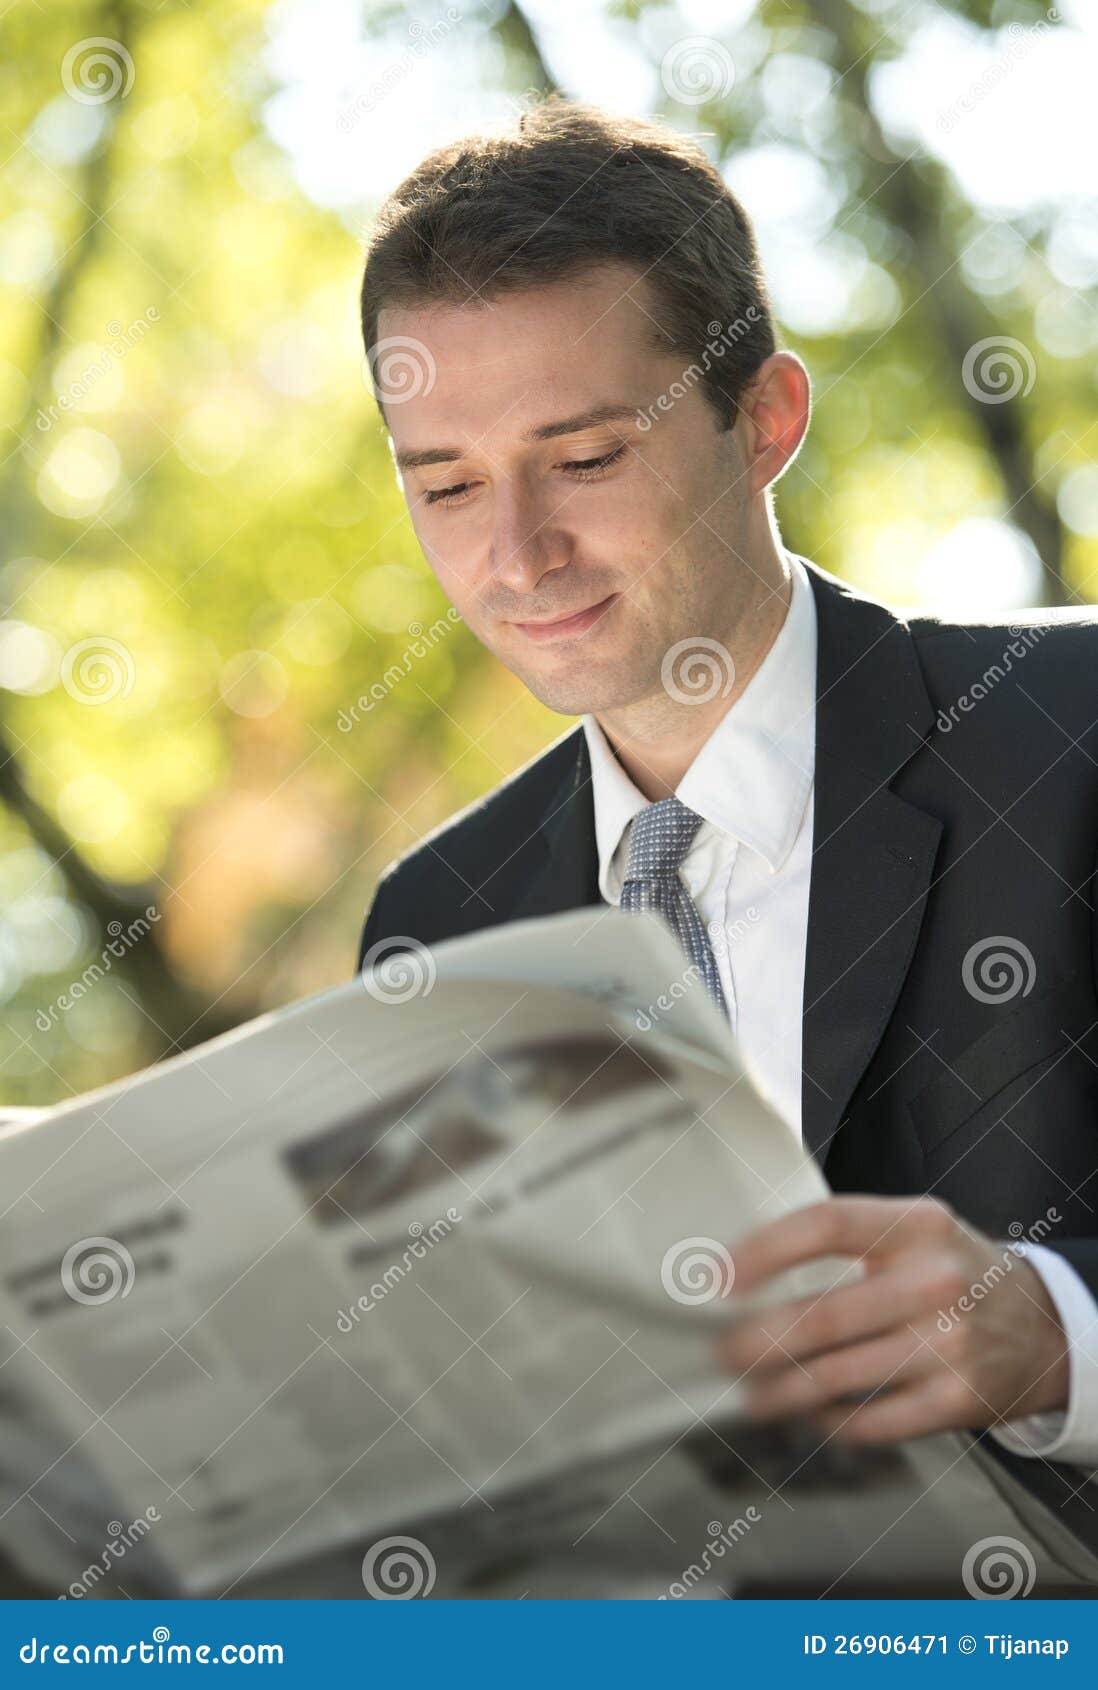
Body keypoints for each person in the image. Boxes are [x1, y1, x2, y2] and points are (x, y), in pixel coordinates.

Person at [354, 98, 1098, 1556]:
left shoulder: (1070, 732)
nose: (515, 553)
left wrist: (1052, 1333)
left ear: (761, 420)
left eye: (582, 459)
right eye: (443, 483)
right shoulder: (437, 920)